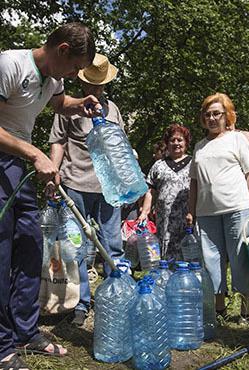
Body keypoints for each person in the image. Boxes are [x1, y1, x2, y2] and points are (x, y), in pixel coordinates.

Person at [0, 22, 98, 368]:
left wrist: (79, 103)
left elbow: (61, 102)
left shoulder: (53, 80)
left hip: (21, 165)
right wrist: (34, 153)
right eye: (75, 67)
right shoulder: (10, 64)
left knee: (30, 246)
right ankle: (2, 345)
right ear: (62, 51)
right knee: (2, 252)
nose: (74, 75)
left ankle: (26, 330)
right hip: (5, 161)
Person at [47, 53, 124, 327]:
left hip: (109, 189)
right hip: (74, 186)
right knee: (75, 247)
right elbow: (58, 142)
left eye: (99, 84)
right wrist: (52, 175)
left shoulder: (113, 109)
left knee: (113, 245)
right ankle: (80, 303)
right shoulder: (68, 106)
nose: (95, 88)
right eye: (91, 83)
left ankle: (117, 298)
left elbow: (120, 149)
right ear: (83, 82)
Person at [186, 93, 249, 322]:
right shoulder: (200, 147)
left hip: (236, 207)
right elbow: (194, 182)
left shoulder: (236, 139)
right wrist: (191, 210)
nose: (211, 118)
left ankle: (245, 311)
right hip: (206, 212)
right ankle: (219, 309)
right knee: (211, 261)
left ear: (227, 115)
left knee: (240, 258)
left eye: (216, 114)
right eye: (207, 114)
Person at [138, 124, 192, 260]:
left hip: (188, 218)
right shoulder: (158, 165)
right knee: (165, 252)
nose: (176, 143)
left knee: (188, 252)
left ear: (186, 142)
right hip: (164, 219)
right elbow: (150, 191)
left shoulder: (194, 163)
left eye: (179, 140)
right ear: (167, 144)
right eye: (172, 140)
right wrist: (145, 212)